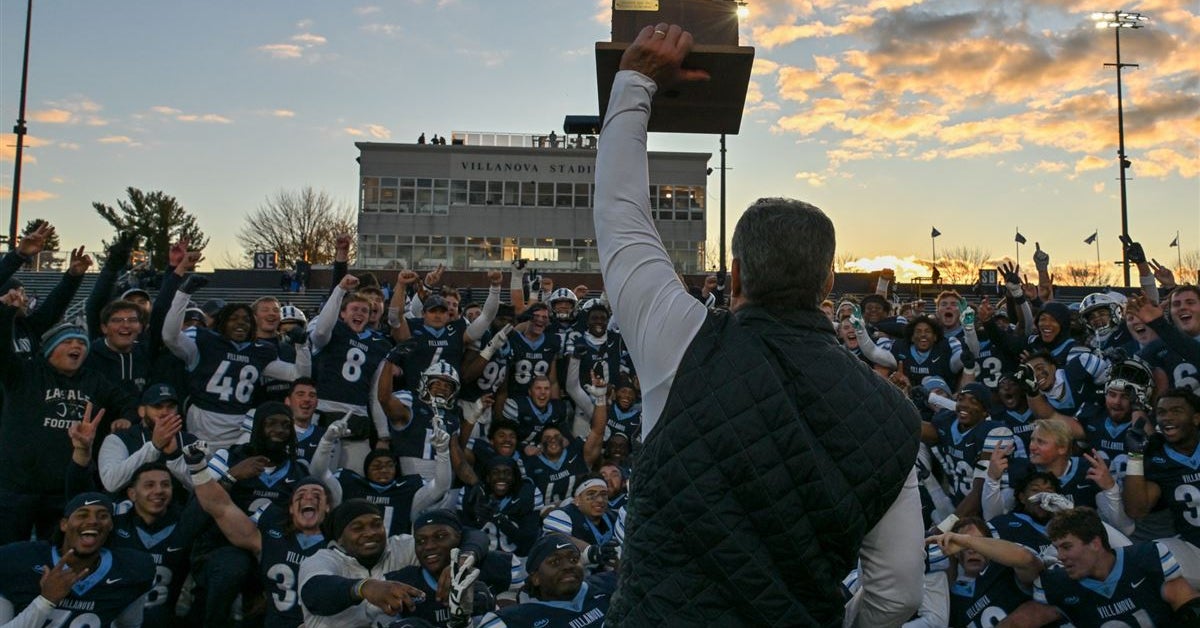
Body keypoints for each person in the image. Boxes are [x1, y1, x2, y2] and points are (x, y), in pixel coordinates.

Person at [592, 23, 922, 625]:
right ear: (827, 284)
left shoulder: (682, 341)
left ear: (737, 275)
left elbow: (620, 214)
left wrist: (635, 80)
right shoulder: (893, 415)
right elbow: (898, 595)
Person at [190, 444, 332, 628]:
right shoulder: (270, 539)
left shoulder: (339, 546)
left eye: (317, 494)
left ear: (328, 507)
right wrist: (197, 467)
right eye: (301, 494)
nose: (308, 498)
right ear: (290, 508)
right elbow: (220, 507)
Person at [296, 500, 490, 628]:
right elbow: (314, 594)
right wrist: (364, 587)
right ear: (339, 538)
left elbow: (471, 535)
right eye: (358, 528)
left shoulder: (400, 547)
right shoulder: (323, 559)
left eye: (376, 524)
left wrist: (463, 560)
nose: (370, 533)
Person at [1017, 507, 1200, 625]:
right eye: (1057, 548)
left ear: (1095, 543)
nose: (1060, 556)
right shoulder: (1057, 584)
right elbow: (1019, 622)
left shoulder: (1146, 558)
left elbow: (1190, 608)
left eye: (1067, 547)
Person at [0, 492, 155, 626]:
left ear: (111, 526)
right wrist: (46, 600)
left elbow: (130, 625)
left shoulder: (131, 568)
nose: (93, 521)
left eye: (103, 516)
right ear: (64, 524)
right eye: (82, 515)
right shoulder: (17, 560)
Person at [477, 533, 616, 628]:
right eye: (555, 562)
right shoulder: (512, 620)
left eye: (574, 559)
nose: (568, 566)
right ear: (536, 578)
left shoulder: (608, 584)